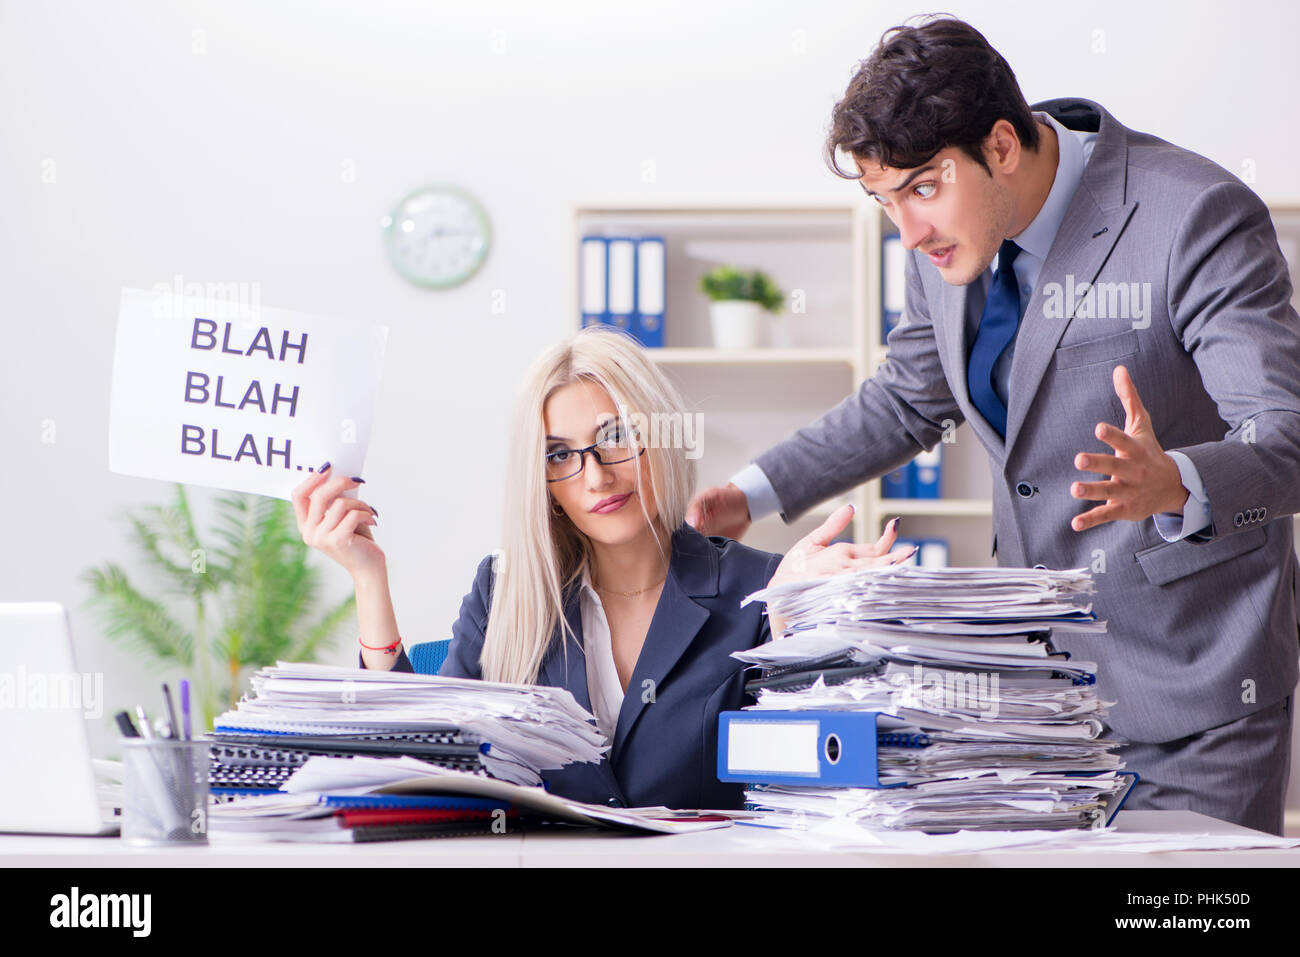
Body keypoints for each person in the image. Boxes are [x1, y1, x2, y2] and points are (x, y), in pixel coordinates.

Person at [687, 16, 1300, 834]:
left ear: (1003, 145)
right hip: (1028, 702)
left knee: (1175, 921)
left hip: (1195, 693)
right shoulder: (943, 240)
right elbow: (908, 398)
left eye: (922, 189)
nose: (906, 229)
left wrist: (1177, 480)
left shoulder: (1193, 214)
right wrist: (749, 492)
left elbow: (1286, 427)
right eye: (884, 200)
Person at [291, 325, 912, 810]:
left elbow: (814, 778)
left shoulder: (761, 590)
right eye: (559, 455)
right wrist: (369, 578)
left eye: (615, 435)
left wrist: (799, 628)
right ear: (542, 481)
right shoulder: (505, 590)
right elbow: (428, 762)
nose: (595, 475)